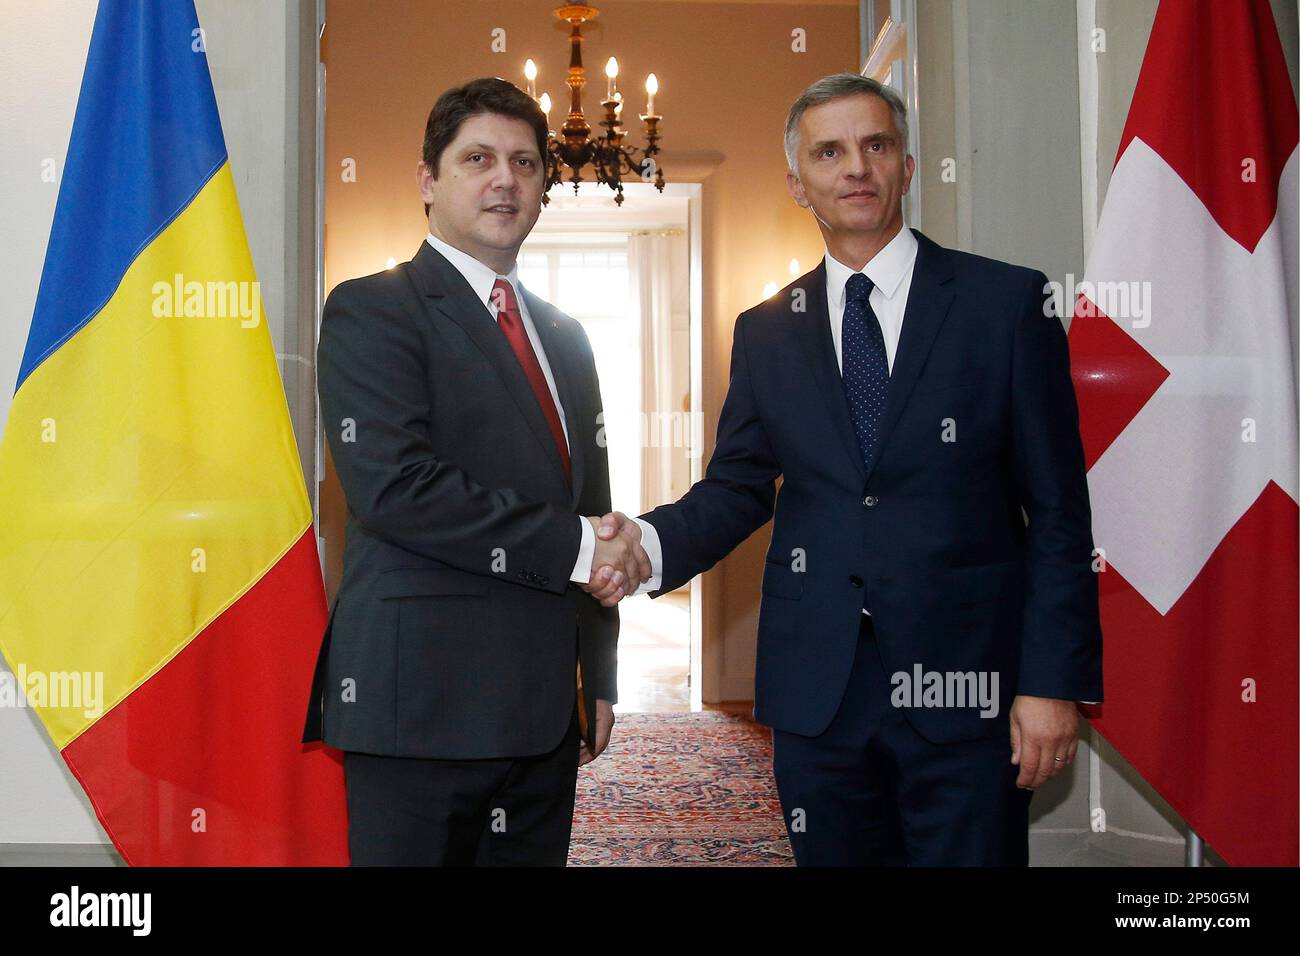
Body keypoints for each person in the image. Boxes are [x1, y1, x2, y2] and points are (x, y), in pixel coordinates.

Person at [587, 73, 1103, 865]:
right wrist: (643, 547)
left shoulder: (1006, 305)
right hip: (817, 692)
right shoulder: (766, 330)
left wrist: (1051, 683)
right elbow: (737, 487)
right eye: (828, 152)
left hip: (968, 688)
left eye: (876, 145)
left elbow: (1061, 513)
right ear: (799, 183)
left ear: (906, 166)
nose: (855, 167)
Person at [302, 77, 650, 866]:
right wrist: (576, 546)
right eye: (479, 158)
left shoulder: (566, 337)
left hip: (541, 716)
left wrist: (598, 670)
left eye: (526, 164)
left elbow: (593, 507)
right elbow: (396, 488)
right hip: (418, 705)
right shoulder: (371, 310)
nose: (506, 179)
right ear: (429, 181)